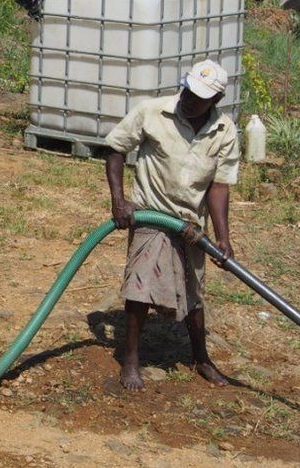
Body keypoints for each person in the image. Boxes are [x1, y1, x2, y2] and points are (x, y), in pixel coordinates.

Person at [104, 59, 239, 392]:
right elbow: (115, 149)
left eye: (199, 97)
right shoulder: (153, 112)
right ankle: (130, 359)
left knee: (193, 293)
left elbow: (219, 186)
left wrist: (223, 238)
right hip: (151, 213)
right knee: (139, 286)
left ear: (216, 100)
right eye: (188, 91)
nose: (189, 100)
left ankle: (201, 358)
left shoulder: (224, 131)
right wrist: (119, 201)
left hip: (190, 223)